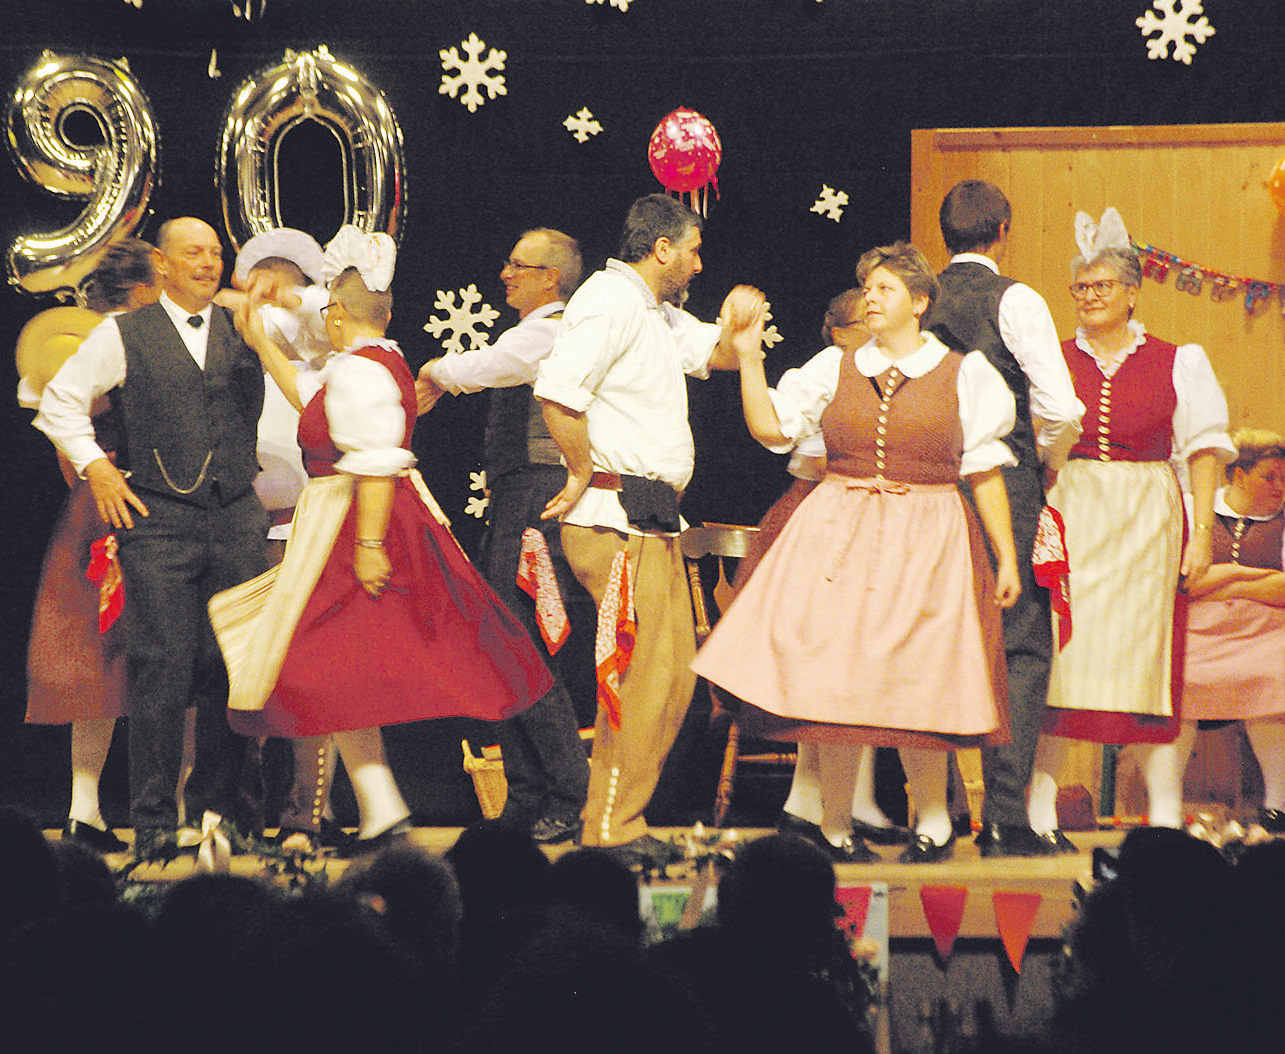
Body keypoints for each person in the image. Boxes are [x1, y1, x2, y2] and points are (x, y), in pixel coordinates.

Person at [214, 226, 553, 855]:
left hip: (357, 523)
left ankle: (382, 806)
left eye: (325, 310)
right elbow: (314, 406)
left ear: (338, 314)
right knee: (332, 672)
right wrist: (265, 340)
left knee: (321, 667)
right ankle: (381, 809)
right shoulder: (370, 361)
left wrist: (369, 545)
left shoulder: (360, 372)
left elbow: (372, 460)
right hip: (342, 518)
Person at [692, 241, 1020, 864]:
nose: (871, 297)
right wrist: (749, 358)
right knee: (836, 681)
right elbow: (771, 429)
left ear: (920, 303)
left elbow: (984, 470)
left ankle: (934, 825)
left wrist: (1005, 555)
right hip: (839, 533)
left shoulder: (964, 373)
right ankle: (834, 826)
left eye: (886, 289)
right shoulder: (832, 367)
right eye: (867, 287)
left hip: (927, 535)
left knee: (919, 678)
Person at [533, 192, 766, 854]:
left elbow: (714, 352)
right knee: (643, 678)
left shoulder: (652, 310)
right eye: (691, 250)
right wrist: (577, 469)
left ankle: (618, 819)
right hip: (612, 517)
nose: (698, 262)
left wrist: (741, 331)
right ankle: (609, 827)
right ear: (661, 248)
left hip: (649, 520)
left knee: (674, 679)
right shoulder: (608, 301)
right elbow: (557, 389)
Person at [35, 218, 271, 854]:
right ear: (162, 264)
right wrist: (99, 467)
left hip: (235, 514)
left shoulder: (246, 327)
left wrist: (258, 311)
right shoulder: (124, 332)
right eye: (193, 252)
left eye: (216, 252)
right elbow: (59, 402)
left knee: (233, 667)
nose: (208, 262)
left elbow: (315, 335)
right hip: (159, 520)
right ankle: (156, 826)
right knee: (161, 669)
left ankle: (225, 815)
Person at [1027, 209, 1234, 833]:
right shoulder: (1052, 359)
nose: (1090, 297)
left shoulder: (1179, 360)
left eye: (1102, 286)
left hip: (1148, 520)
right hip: (1072, 512)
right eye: (1081, 288)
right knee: (1060, 660)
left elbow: (1203, 450)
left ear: (1132, 293)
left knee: (1148, 665)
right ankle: (1039, 810)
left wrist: (1201, 535)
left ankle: (1163, 812)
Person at [925, 179, 1087, 858]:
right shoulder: (1014, 299)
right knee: (1020, 645)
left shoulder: (918, 298)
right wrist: (1041, 460)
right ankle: (1003, 819)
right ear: (1003, 229)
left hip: (926, 486)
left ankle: (931, 817)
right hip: (1005, 486)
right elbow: (1061, 407)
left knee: (932, 643)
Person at [416, 228, 592, 845]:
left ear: (552, 278)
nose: (506, 274)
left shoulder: (555, 328)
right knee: (504, 640)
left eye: (520, 265)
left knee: (521, 640)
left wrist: (435, 371)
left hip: (539, 499)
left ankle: (570, 791)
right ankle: (527, 790)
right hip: (517, 497)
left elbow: (492, 365)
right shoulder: (540, 327)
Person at [748, 290, 907, 858]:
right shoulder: (830, 368)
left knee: (858, 664)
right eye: (867, 321)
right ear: (842, 331)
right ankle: (818, 801)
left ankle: (826, 797)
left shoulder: (900, 368)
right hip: (819, 510)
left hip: (868, 514)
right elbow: (782, 433)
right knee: (835, 664)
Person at [19, 239, 160, 854]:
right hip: (133, 504)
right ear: (145, 288)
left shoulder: (74, 347)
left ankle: (85, 809)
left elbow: (63, 453)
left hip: (90, 510)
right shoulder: (124, 343)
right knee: (152, 654)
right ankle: (163, 810)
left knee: (97, 656)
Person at [217, 229, 346, 853]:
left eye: (285, 279)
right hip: (238, 528)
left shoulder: (325, 348)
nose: (269, 294)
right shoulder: (229, 344)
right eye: (259, 279)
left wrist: (285, 301)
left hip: (307, 529)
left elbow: (322, 310)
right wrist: (243, 308)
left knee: (311, 679)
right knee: (241, 675)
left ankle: (304, 817)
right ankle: (232, 815)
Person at [1165, 430, 1285, 832]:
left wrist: (1224, 578)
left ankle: (1277, 804)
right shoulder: (1193, 512)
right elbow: (1184, 581)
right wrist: (1244, 574)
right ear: (1237, 474)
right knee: (1177, 680)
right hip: (1198, 628)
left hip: (1267, 627)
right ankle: (1164, 807)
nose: (1279, 486)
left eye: (1284, 478)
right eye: (1269, 476)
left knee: (1275, 676)